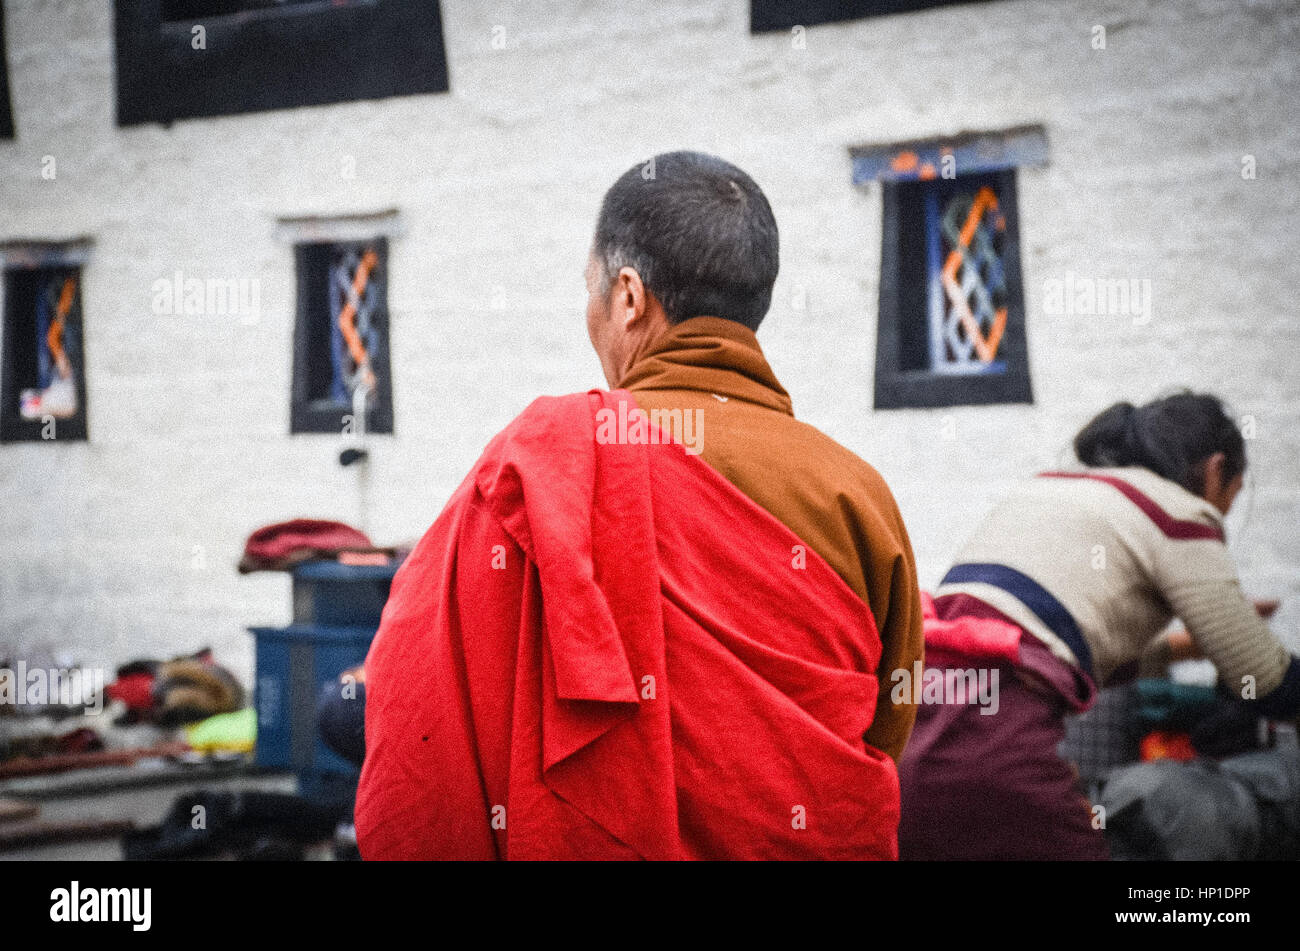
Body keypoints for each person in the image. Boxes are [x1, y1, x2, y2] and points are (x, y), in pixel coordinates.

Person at [354, 151, 923, 860]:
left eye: (590, 287)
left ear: (628, 297)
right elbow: (889, 721)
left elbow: (418, 711)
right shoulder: (857, 494)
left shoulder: (541, 467)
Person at [898, 392, 1300, 860]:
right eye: (1235, 492)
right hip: (993, 738)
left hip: (912, 725)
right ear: (1216, 470)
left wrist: (1187, 648)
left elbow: (1057, 642)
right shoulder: (1179, 516)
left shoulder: (1050, 488)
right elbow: (1267, 684)